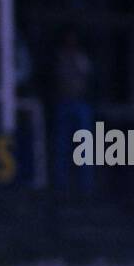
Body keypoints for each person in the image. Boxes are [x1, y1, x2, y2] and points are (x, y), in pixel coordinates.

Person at [50, 30, 94, 196]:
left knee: (84, 144)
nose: (71, 42)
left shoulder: (82, 58)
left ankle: (86, 185)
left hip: (80, 103)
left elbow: (88, 79)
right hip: (63, 103)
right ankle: (61, 184)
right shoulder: (59, 57)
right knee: (62, 145)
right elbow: (55, 78)